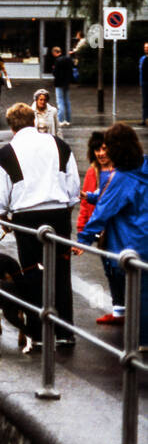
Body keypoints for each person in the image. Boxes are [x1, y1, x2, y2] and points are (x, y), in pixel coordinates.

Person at [0, 102, 81, 346]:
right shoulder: (59, 145)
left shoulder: (6, 153)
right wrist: (67, 207)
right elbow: (73, 186)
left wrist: (3, 219)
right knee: (61, 273)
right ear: (34, 121)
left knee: (32, 273)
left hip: (26, 218)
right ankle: (64, 332)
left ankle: (38, 334)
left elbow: (0, 196)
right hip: (58, 215)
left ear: (11, 127)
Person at [78, 122, 148, 351]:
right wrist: (92, 196)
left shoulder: (122, 177)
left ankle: (142, 341)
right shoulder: (144, 165)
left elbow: (105, 209)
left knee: (139, 295)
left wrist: (83, 238)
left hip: (132, 242)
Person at [76, 131, 123, 326]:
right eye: (97, 149)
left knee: (124, 270)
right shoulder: (93, 172)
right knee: (110, 270)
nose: (101, 153)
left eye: (104, 149)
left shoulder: (122, 171)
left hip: (121, 230)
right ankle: (119, 309)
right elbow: (86, 204)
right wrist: (82, 231)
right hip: (102, 231)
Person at [50, 46, 75, 127]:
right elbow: (72, 70)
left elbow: (55, 73)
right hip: (66, 83)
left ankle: (60, 120)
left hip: (59, 83)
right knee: (67, 101)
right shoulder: (68, 59)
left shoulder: (57, 60)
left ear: (55, 52)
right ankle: (68, 120)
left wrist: (53, 69)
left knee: (60, 102)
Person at [139, 42, 148, 127]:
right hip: (144, 83)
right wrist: (141, 83)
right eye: (145, 47)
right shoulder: (142, 59)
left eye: (147, 47)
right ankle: (144, 119)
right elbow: (141, 72)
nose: (146, 49)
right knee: (145, 102)